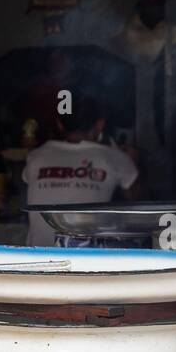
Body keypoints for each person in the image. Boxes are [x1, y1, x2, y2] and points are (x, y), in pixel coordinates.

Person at [22, 95, 143, 247]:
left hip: (36, 257)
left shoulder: (36, 157)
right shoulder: (113, 157)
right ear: (100, 125)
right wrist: (133, 163)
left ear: (59, 124)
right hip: (86, 259)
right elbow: (141, 204)